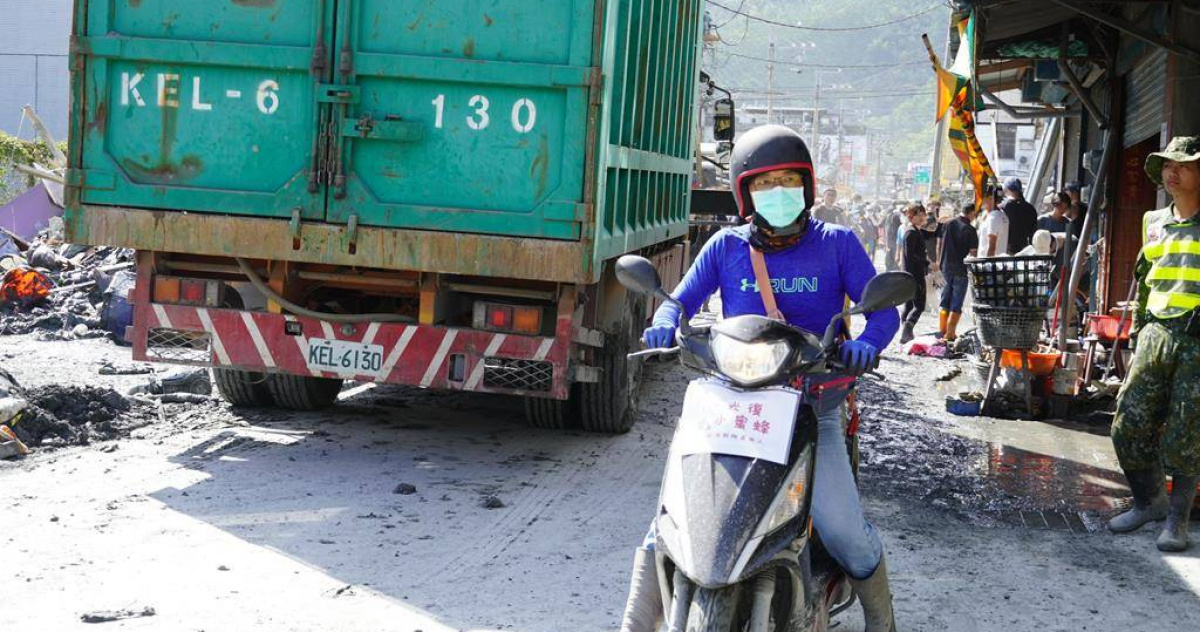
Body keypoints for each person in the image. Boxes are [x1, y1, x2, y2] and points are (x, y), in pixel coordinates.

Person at [619, 125, 900, 632]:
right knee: (672, 523)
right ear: (745, 193)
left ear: (807, 187)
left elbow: (883, 312)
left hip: (814, 405)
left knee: (844, 533)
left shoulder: (837, 244)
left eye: (788, 180)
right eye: (765, 183)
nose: (778, 192)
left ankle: (883, 622)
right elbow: (679, 301)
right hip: (733, 408)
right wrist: (664, 323)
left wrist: (867, 345)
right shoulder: (726, 247)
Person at [1108, 136, 1200, 552]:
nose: (1172, 172)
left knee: (1187, 432)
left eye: (1183, 165)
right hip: (1155, 334)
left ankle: (1177, 522)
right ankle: (1149, 502)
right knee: (1128, 424)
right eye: (1167, 165)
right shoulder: (1153, 220)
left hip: (1196, 339)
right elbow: (1145, 280)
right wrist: (1138, 332)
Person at [937, 202, 979, 340]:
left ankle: (942, 331)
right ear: (971, 213)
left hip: (945, 268)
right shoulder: (970, 230)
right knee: (956, 302)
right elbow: (973, 254)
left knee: (944, 300)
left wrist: (939, 263)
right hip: (961, 270)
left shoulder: (948, 224)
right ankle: (950, 334)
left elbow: (939, 245)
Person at [899, 204, 930, 343]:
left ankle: (905, 332)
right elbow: (910, 255)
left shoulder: (916, 231)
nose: (923, 216)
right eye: (920, 214)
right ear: (913, 216)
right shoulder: (911, 232)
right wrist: (926, 262)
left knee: (910, 304)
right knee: (919, 305)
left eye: (923, 213)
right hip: (913, 274)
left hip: (912, 274)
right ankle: (906, 330)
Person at [999, 177, 1038, 254]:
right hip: (1024, 250)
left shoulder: (1002, 208)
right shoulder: (1030, 208)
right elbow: (1033, 232)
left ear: (1006, 189)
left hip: (1005, 251)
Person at [977, 190, 1010, 257]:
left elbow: (992, 246)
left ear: (991, 198)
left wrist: (988, 262)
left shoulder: (993, 217)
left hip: (988, 262)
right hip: (994, 261)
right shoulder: (1001, 215)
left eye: (981, 197)